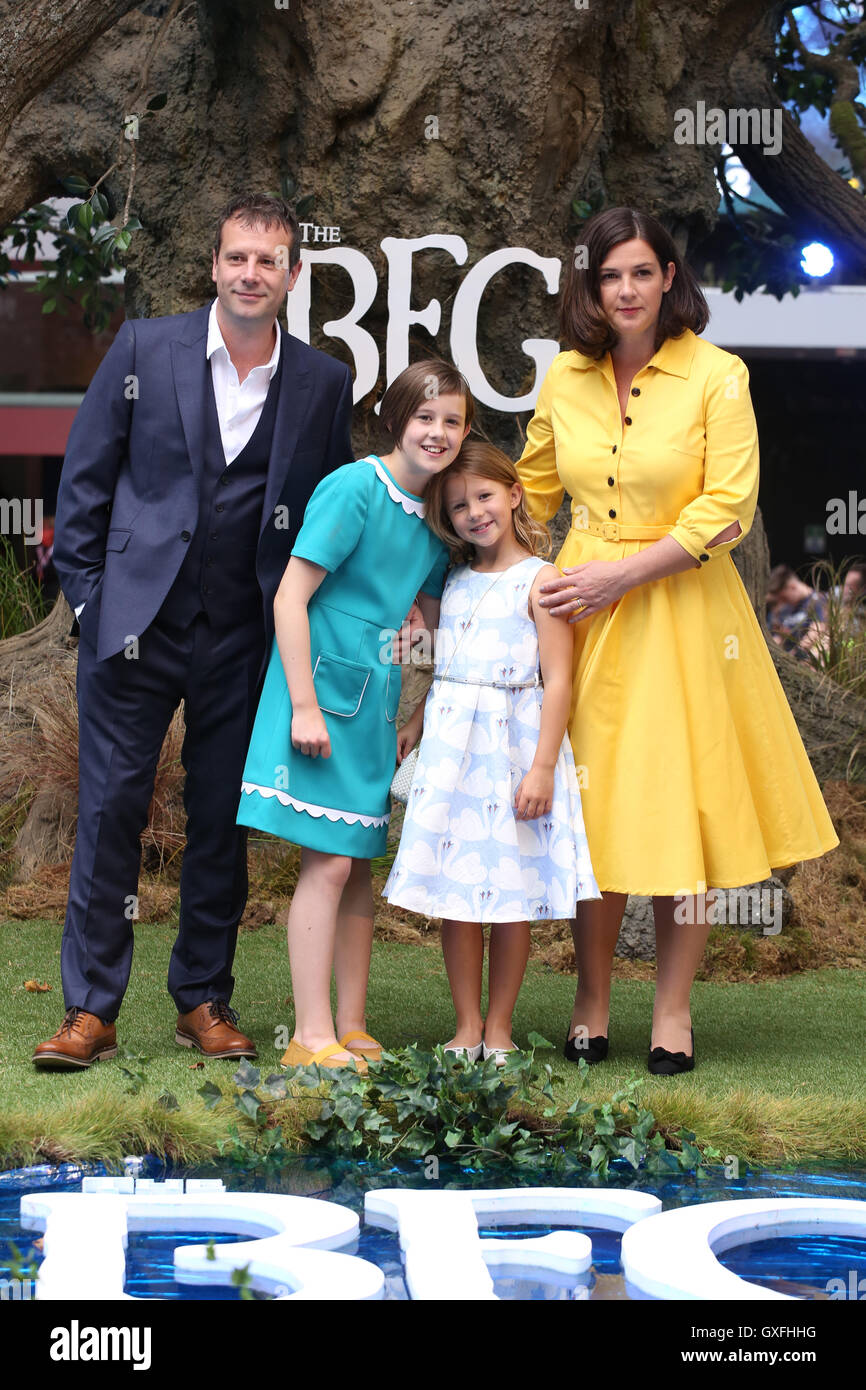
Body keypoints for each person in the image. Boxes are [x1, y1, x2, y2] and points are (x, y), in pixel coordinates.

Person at [34, 193, 353, 1069]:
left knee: (221, 819)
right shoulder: (145, 347)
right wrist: (94, 603)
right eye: (238, 258)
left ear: (292, 274)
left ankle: (203, 1001)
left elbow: (328, 519)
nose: (252, 273)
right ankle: (90, 1011)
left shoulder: (322, 382)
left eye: (270, 260)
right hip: (133, 625)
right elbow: (85, 484)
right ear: (214, 266)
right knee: (108, 812)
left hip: (243, 636)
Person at [517, 206, 839, 1075]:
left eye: (640, 272)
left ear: (669, 278)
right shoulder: (566, 377)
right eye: (608, 275)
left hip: (683, 612)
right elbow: (531, 493)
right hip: (583, 612)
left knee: (677, 809)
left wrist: (621, 575)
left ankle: (672, 1009)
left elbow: (727, 509)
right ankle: (590, 999)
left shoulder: (718, 375)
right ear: (590, 285)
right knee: (598, 813)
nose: (625, 290)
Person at [237, 360, 472, 1071]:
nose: (437, 432)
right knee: (330, 864)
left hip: (374, 701)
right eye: (425, 417)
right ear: (396, 419)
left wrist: (423, 705)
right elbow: (288, 597)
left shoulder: (434, 515)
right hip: (316, 692)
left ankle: (351, 1022)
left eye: (453, 421)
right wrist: (304, 705)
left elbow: (427, 623)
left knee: (359, 863)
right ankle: (309, 1037)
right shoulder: (354, 489)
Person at [383, 441, 600, 1065]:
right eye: (458, 506)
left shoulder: (542, 579)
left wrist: (541, 767)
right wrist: (419, 722)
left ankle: (500, 1027)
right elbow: (448, 664)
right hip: (454, 750)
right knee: (457, 894)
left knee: (508, 894)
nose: (474, 512)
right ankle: (466, 1023)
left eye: (484, 496)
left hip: (513, 750)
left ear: (514, 494)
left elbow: (558, 679)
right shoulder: (451, 581)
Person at [765, 564, 827, 661]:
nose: (783, 602)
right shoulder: (787, 609)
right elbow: (779, 637)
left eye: (784, 598)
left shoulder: (817, 601)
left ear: (792, 587)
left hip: (803, 659)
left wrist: (797, 653)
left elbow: (817, 630)